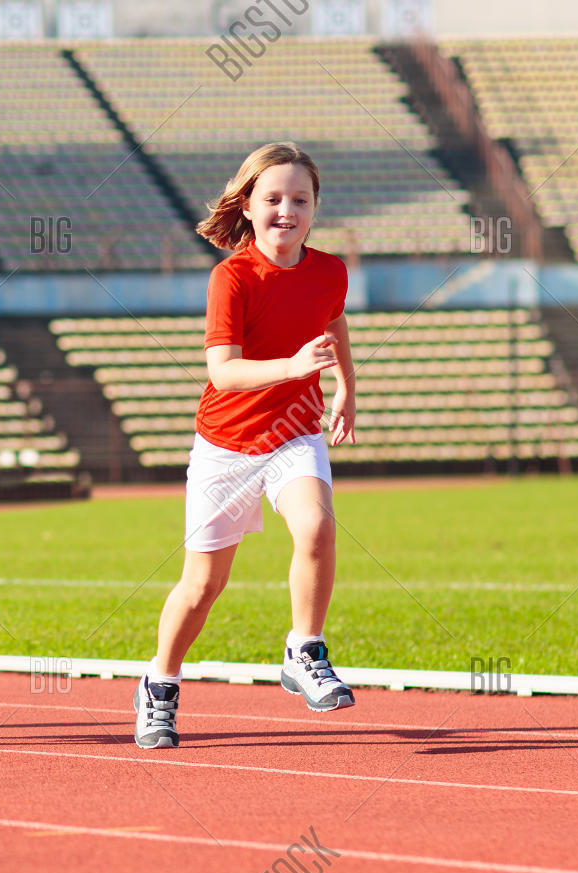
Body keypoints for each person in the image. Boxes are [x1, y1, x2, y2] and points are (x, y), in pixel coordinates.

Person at [134, 142, 357, 749]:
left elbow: (333, 323)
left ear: (315, 208)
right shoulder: (231, 277)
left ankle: (304, 649)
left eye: (301, 199)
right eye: (274, 198)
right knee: (203, 585)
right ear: (249, 206)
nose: (288, 209)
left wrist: (346, 390)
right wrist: (292, 366)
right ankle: (160, 684)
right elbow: (223, 373)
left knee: (315, 527)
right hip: (227, 444)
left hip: (295, 432)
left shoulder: (331, 270)